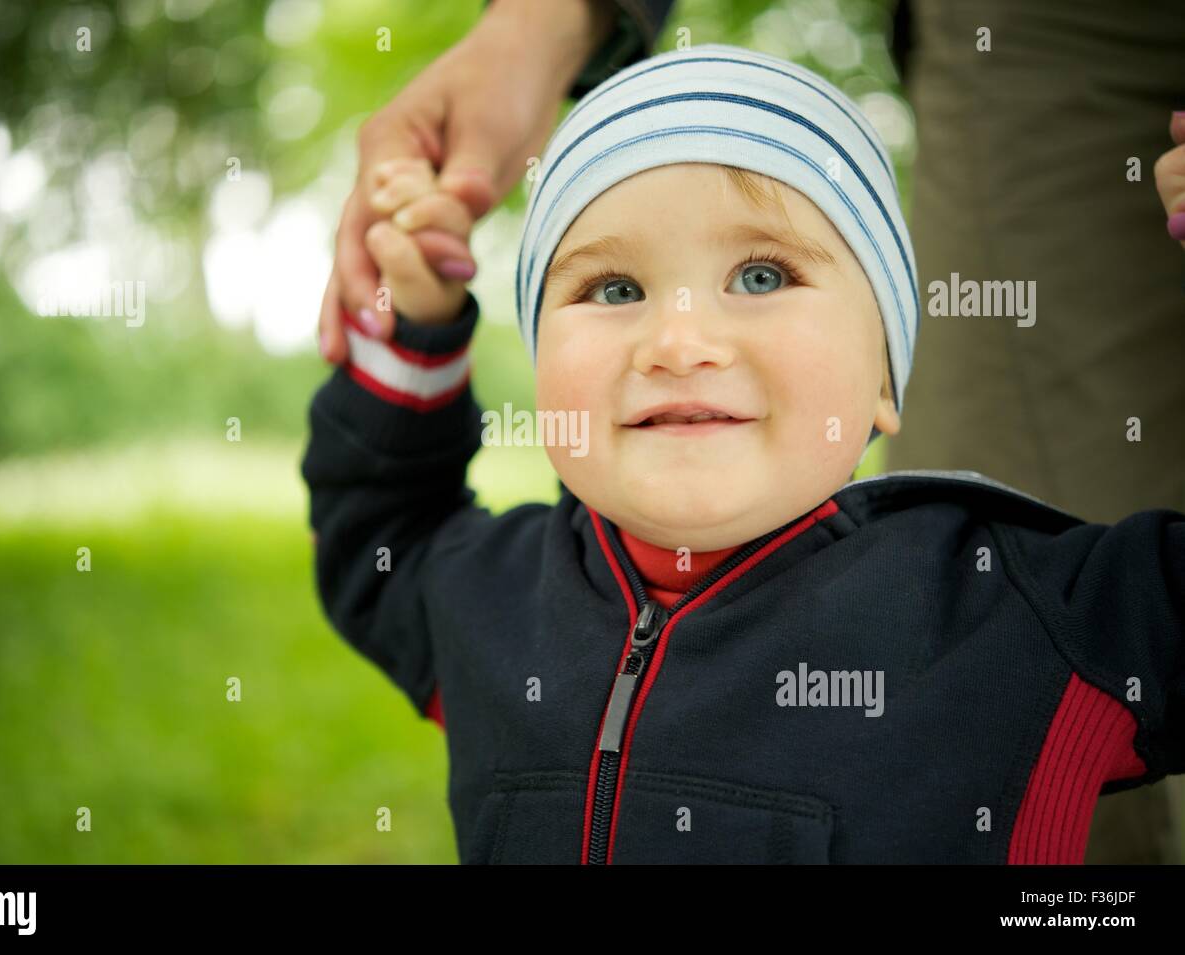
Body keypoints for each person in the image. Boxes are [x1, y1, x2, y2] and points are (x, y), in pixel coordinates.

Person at [301, 44, 1185, 863]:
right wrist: (408, 325)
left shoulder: (1016, 615)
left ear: (887, 376)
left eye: (762, 277)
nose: (679, 341)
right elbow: (382, 529)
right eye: (614, 288)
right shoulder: (493, 596)